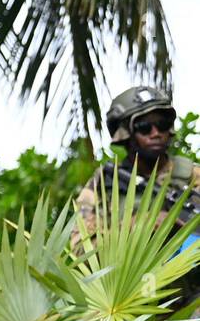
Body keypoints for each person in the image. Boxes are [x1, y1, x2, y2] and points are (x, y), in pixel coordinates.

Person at [74, 86, 200, 295]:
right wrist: (141, 225)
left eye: (162, 124)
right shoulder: (105, 185)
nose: (156, 133)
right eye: (144, 127)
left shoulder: (191, 174)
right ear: (125, 134)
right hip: (137, 309)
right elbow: (81, 251)